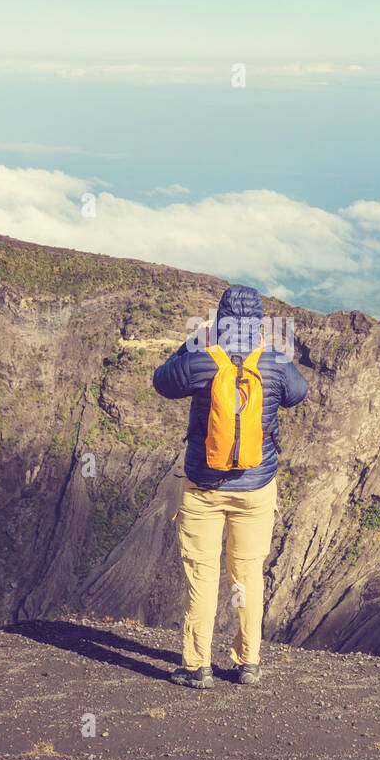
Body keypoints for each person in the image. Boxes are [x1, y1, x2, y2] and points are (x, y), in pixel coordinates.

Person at [152, 285, 308, 689]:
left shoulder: (201, 359)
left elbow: (162, 381)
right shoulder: (273, 361)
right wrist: (267, 353)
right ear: (258, 323)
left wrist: (194, 340)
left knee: (202, 576)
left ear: (219, 320)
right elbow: (298, 393)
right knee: (248, 575)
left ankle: (197, 666)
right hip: (256, 490)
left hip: (204, 488)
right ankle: (248, 662)